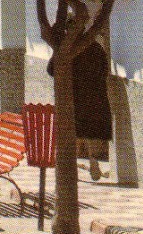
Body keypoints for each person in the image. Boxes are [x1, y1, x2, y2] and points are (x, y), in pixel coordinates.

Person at [48, 36, 113, 181]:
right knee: (91, 131)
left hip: (73, 95)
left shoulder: (64, 47)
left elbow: (51, 69)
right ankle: (93, 160)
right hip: (94, 95)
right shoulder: (96, 47)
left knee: (72, 131)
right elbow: (104, 70)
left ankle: (70, 166)